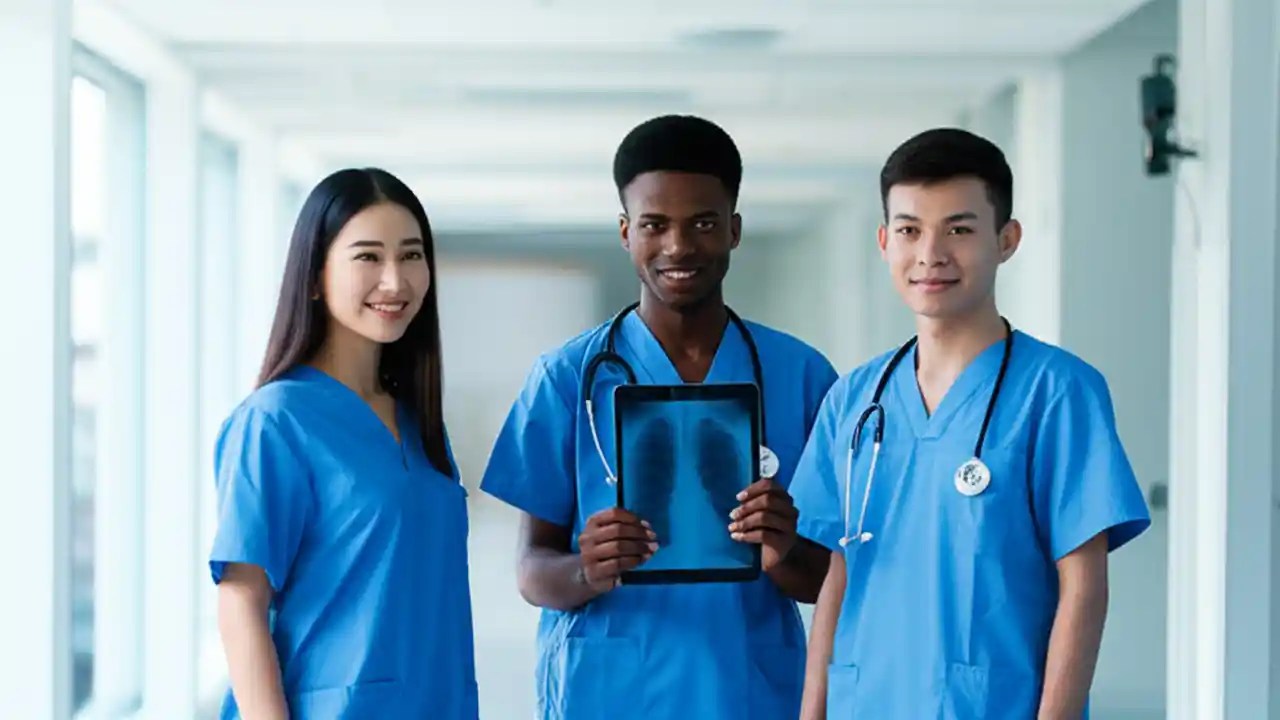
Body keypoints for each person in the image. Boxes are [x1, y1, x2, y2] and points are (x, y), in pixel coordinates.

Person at [480, 114, 838, 720]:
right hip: (606, 692)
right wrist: (587, 569)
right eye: (654, 224)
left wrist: (784, 551)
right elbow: (533, 570)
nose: (678, 246)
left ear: (735, 230)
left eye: (703, 222)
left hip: (747, 692)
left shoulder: (800, 376)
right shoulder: (568, 377)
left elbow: (831, 578)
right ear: (626, 232)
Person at [791, 128, 1151, 719]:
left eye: (958, 229)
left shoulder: (1058, 391)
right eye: (909, 230)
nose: (930, 253)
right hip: (867, 702)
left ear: (1006, 240)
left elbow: (1083, 587)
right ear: (884, 242)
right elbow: (838, 571)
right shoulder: (854, 399)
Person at [208, 168, 478, 719]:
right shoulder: (275, 422)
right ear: (314, 274)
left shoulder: (419, 422)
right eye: (367, 257)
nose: (395, 281)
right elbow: (241, 600)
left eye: (411, 255)